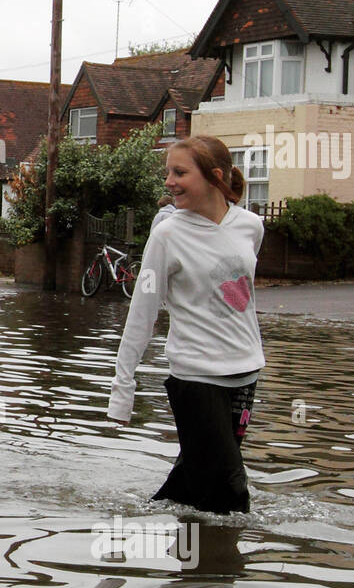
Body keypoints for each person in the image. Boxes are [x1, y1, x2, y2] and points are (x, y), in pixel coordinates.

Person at [107, 136, 265, 514]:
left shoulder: (252, 226)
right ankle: (220, 569)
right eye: (168, 173)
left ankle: (158, 532)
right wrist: (122, 389)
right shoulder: (166, 236)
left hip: (245, 373)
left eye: (179, 172)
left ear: (213, 177)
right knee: (232, 491)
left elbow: (239, 297)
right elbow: (142, 312)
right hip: (195, 377)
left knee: (196, 481)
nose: (169, 181)